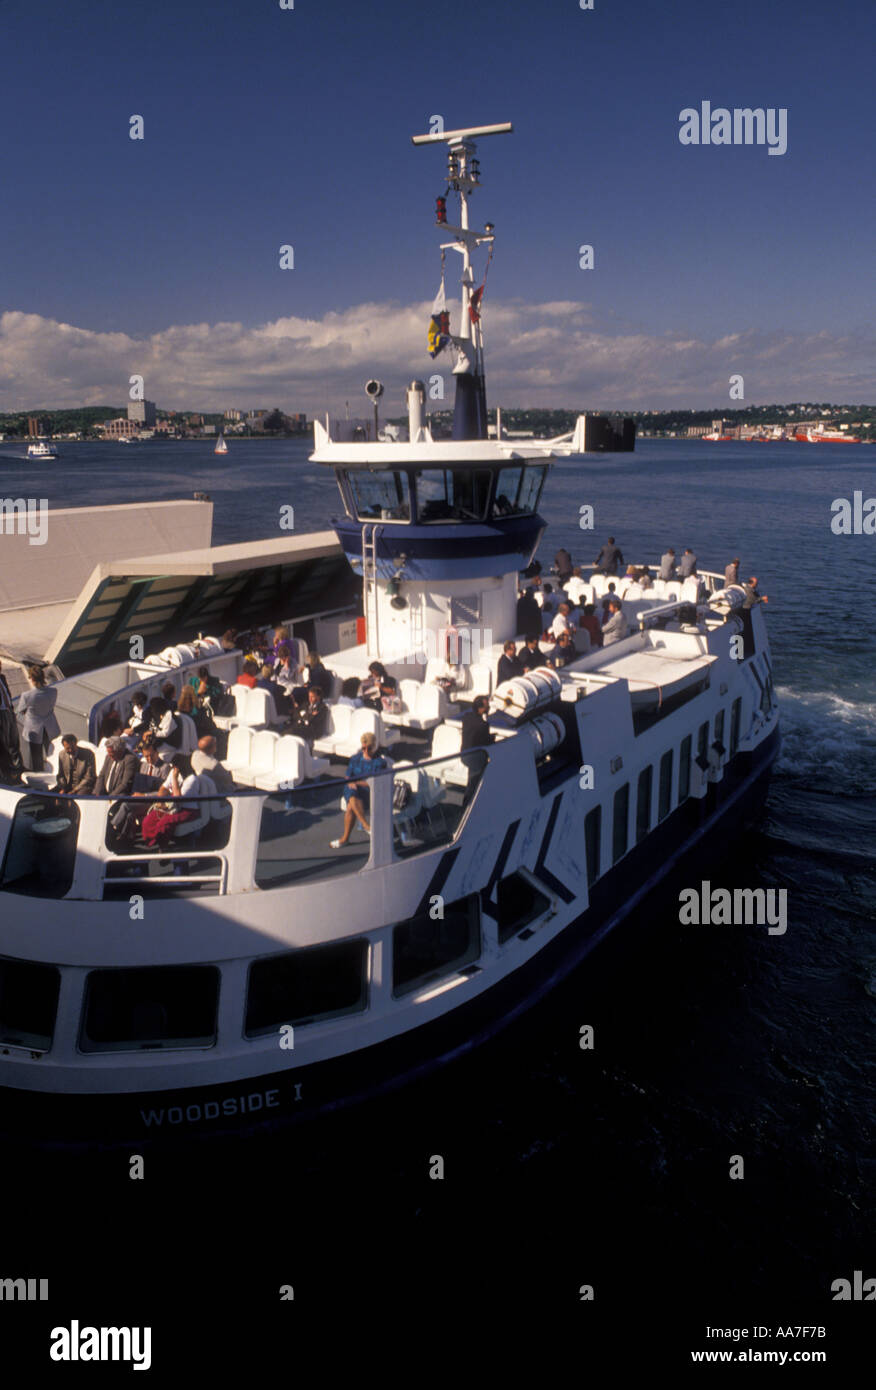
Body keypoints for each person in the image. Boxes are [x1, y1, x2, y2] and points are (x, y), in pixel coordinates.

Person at [331, 731, 389, 847]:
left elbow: (374, 782)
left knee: (350, 807)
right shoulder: (355, 759)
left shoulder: (379, 762)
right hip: (353, 789)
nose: (366, 751)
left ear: (374, 747)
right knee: (351, 792)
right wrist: (351, 782)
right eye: (364, 748)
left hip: (369, 792)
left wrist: (355, 782)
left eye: (369, 748)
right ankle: (366, 826)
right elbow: (348, 776)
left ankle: (345, 838)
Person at [16, 665, 60, 772]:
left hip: (34, 729)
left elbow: (20, 711)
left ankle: (39, 780)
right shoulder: (53, 691)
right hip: (50, 727)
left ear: (32, 678)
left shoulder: (27, 695)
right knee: (53, 754)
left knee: (37, 758)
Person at [0, 672, 24, 785]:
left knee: (14, 741)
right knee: (4, 745)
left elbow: (7, 694)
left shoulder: (2, 677)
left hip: (9, 711)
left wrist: (11, 710)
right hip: (1, 714)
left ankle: (19, 770)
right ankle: (7, 773)